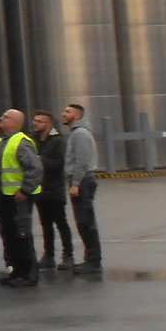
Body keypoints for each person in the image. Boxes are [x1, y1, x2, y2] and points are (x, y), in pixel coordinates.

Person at [0, 110, 44, 288]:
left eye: (4, 117)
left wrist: (25, 190)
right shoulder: (2, 141)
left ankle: (29, 274)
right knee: (10, 235)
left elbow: (35, 169)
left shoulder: (21, 142)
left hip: (18, 197)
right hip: (5, 195)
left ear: (14, 122)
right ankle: (18, 272)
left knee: (22, 235)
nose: (1, 119)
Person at [61, 103, 104, 272]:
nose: (64, 114)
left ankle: (93, 261)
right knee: (83, 221)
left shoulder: (80, 134)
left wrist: (76, 183)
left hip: (83, 180)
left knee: (85, 221)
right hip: (82, 179)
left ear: (77, 116)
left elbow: (82, 161)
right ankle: (91, 258)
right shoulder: (77, 133)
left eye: (68, 111)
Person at [30, 111, 75, 273]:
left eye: (39, 121)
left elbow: (60, 163)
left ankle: (68, 255)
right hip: (39, 189)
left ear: (49, 125)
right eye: (35, 120)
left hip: (54, 189)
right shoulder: (34, 139)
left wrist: (40, 160)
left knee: (61, 223)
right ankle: (48, 255)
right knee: (45, 224)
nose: (35, 124)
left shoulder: (57, 141)